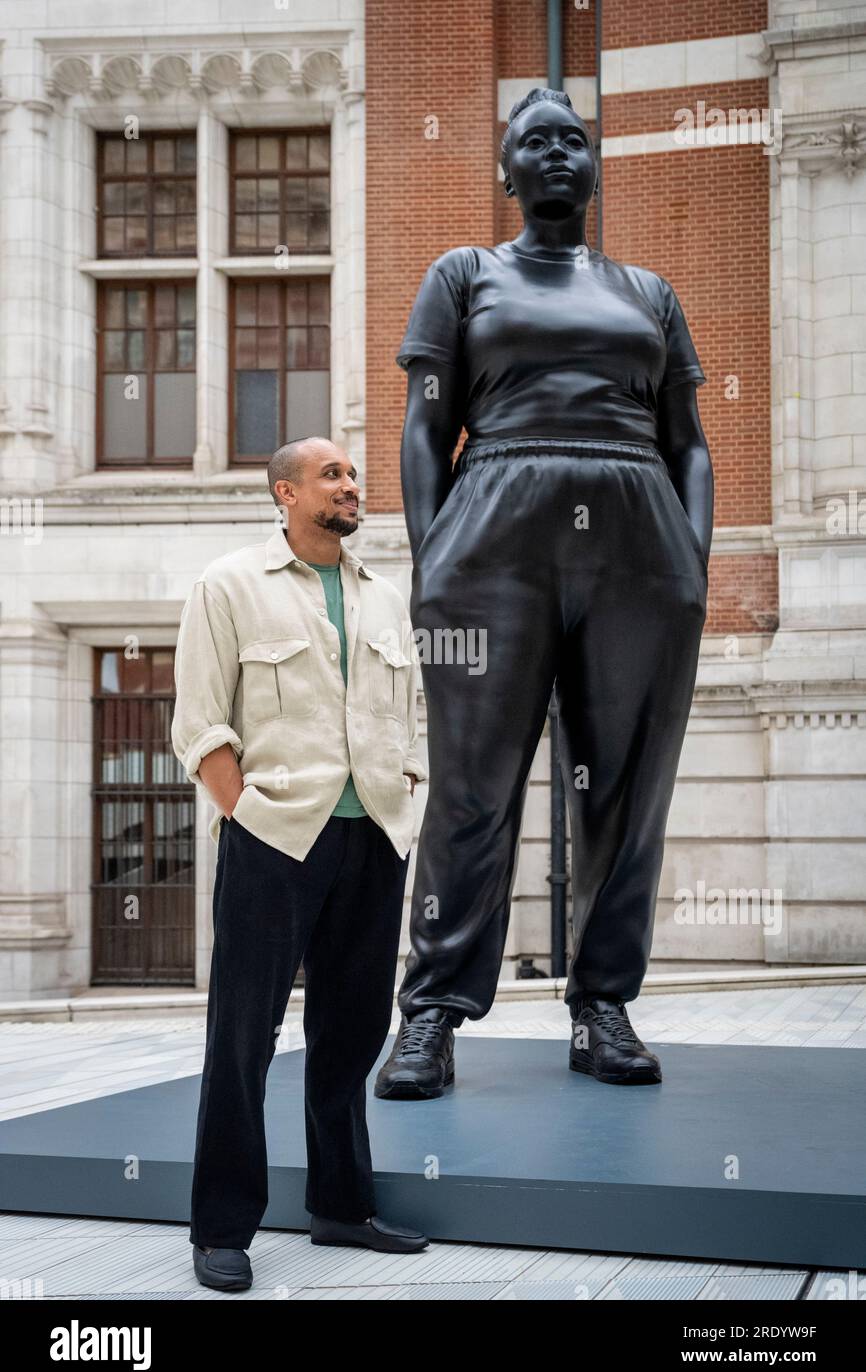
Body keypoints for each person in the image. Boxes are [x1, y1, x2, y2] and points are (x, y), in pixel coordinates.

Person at [375, 88, 713, 1101]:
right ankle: (429, 1014)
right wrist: (431, 554)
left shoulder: (647, 291)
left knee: (623, 786)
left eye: (574, 140)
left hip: (636, 541)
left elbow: (689, 440)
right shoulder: (462, 275)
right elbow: (424, 426)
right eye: (534, 142)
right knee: (471, 785)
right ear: (506, 171)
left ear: (593, 166)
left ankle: (601, 1004)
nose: (557, 153)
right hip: (494, 529)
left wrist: (689, 559)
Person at [171, 436, 430, 1292]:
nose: (350, 486)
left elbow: (409, 713)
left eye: (353, 475)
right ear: (285, 492)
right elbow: (202, 722)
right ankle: (221, 1228)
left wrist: (407, 786)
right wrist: (245, 809)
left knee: (352, 1032)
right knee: (243, 1035)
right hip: (275, 839)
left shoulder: (387, 599)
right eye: (332, 475)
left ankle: (342, 1207)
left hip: (372, 838)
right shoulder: (229, 585)